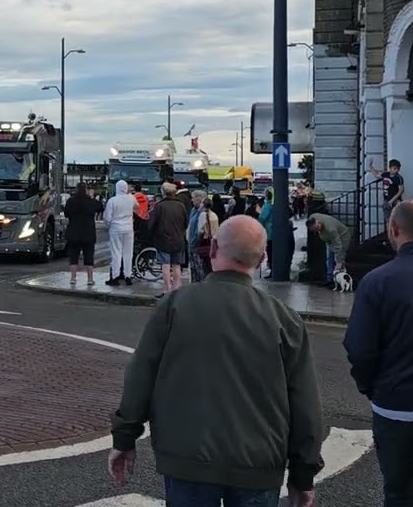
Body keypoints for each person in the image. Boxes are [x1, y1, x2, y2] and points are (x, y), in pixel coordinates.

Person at [108, 216, 323, 507]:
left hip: (187, 458)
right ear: (261, 259)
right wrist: (302, 474)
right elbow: (305, 402)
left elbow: (141, 375)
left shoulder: (174, 306)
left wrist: (124, 438)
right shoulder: (284, 319)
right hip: (258, 463)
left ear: (212, 250)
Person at [343, 200, 413, 506]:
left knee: (398, 494)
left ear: (394, 229)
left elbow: (360, 350)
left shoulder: (376, 281)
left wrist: (371, 388)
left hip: (394, 406)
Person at [149, 181, 189, 296]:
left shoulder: (159, 206)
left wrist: (152, 235)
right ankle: (176, 288)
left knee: (165, 265)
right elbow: (186, 222)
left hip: (163, 240)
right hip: (178, 239)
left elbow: (152, 224)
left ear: (163, 192)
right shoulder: (181, 205)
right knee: (177, 265)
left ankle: (167, 289)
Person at [64, 182, 103, 286]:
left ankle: (73, 278)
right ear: (86, 190)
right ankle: (90, 279)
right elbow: (100, 207)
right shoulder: (90, 201)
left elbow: (66, 214)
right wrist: (91, 196)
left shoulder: (71, 201)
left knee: (73, 257)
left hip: (74, 232)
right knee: (89, 257)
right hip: (88, 233)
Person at [103, 180, 136, 287]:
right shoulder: (131, 198)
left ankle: (115, 276)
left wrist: (110, 225)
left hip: (116, 229)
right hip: (128, 229)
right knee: (128, 253)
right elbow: (137, 206)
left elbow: (107, 217)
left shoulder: (112, 201)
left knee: (116, 253)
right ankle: (128, 276)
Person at [307, 213, 351, 289]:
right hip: (329, 240)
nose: (317, 230)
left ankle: (342, 279)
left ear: (318, 222)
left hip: (342, 237)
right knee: (329, 258)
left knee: (338, 259)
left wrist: (339, 261)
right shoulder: (313, 217)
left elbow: (338, 245)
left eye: (317, 228)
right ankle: (330, 278)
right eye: (315, 230)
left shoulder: (330, 229)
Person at [368, 158, 406, 230]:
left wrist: (392, 200)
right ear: (390, 168)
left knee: (397, 219)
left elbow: (401, 190)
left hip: (395, 200)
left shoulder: (398, 178)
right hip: (386, 199)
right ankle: (389, 236)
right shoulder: (386, 174)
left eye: (398, 169)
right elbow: (377, 175)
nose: (396, 170)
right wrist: (371, 167)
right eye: (394, 168)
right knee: (388, 219)